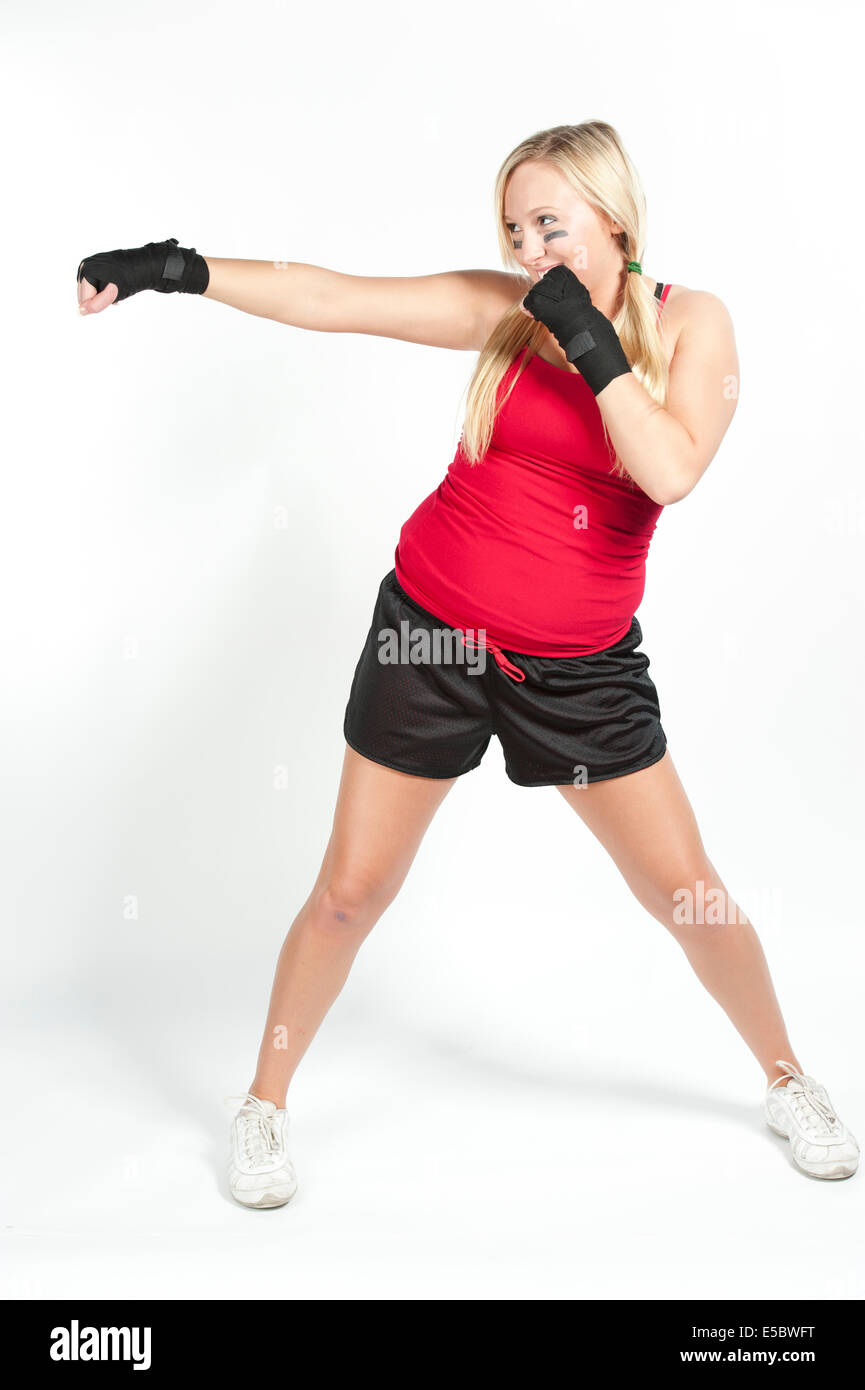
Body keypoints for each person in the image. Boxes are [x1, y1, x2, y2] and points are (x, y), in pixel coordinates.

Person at [77, 120, 858, 1209]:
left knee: (685, 892)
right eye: (512, 228)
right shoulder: (507, 312)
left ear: (612, 219)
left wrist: (589, 339)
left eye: (549, 224)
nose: (528, 249)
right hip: (430, 637)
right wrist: (177, 270)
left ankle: (785, 1077)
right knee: (349, 893)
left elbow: (670, 469)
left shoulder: (693, 324)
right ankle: (263, 1102)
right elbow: (330, 296)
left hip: (578, 669)